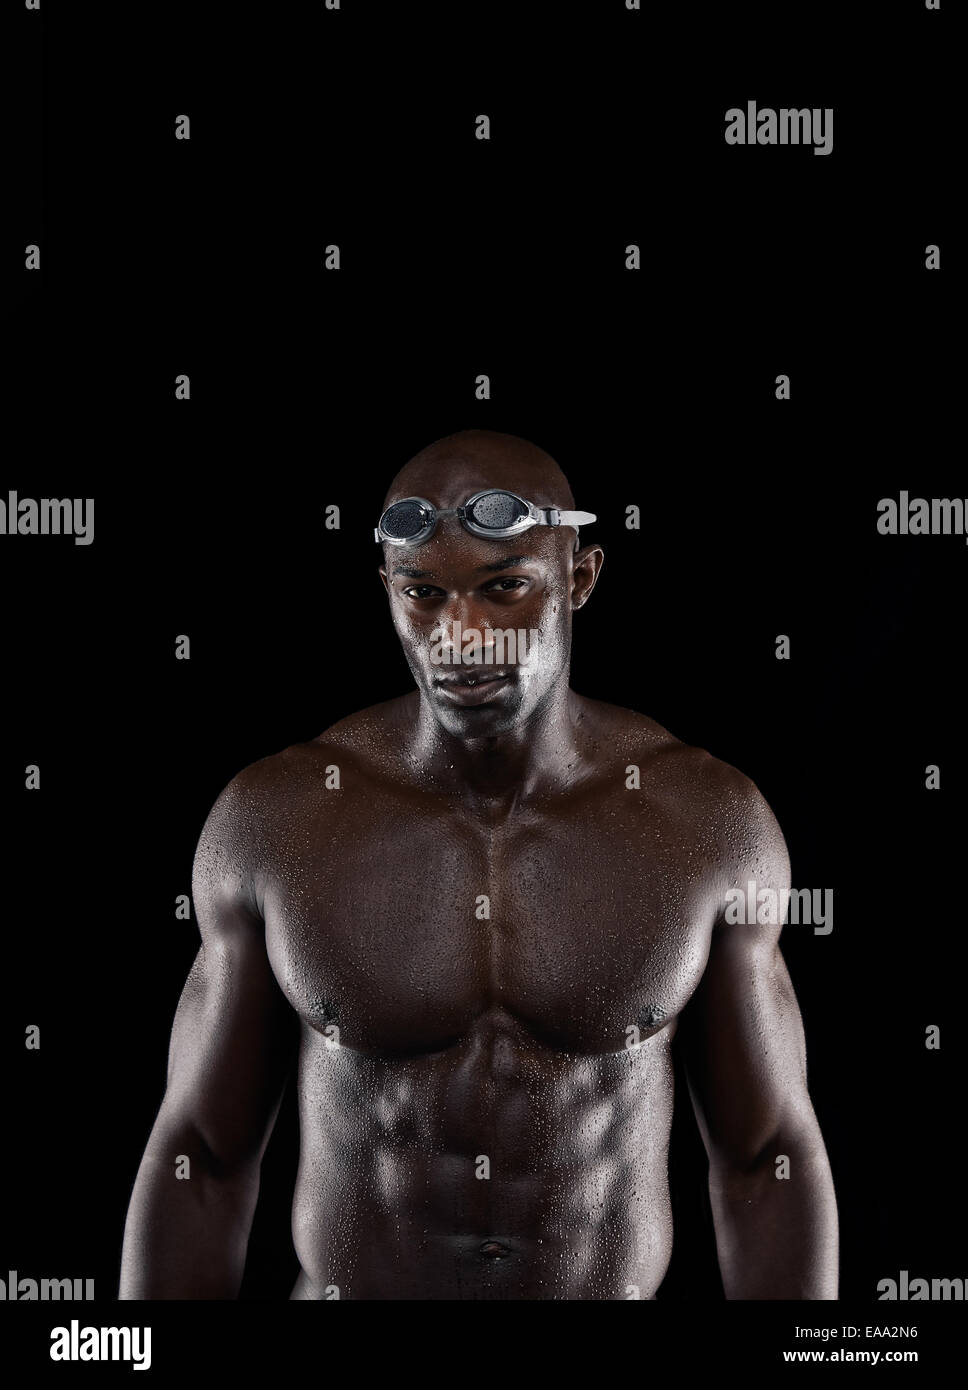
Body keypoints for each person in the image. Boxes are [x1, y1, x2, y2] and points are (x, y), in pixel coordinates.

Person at [119, 428, 838, 1300]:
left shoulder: (704, 822)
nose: (462, 635)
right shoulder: (282, 817)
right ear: (387, 588)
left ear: (580, 576)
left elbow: (767, 1160)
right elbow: (201, 1151)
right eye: (424, 594)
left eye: (505, 589)